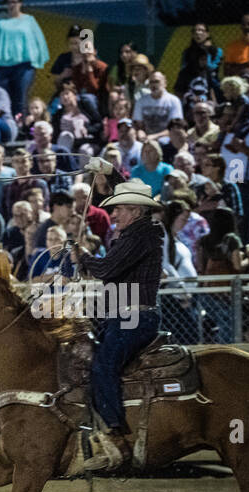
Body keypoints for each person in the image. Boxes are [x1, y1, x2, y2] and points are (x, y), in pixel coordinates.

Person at [69, 180, 164, 473]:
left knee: (103, 366)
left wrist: (83, 257)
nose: (113, 215)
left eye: (119, 209)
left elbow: (107, 269)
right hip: (121, 316)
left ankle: (115, 435)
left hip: (134, 318)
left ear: (135, 211)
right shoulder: (136, 236)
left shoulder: (141, 237)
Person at [0, 0, 49, 118]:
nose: (11, 5)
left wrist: (36, 61)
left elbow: (39, 42)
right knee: (2, 97)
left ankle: (20, 123)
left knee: (20, 97)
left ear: (20, 3)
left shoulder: (29, 20)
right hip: (0, 67)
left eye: (14, 2)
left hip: (23, 66)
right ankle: (5, 123)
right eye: (9, 2)